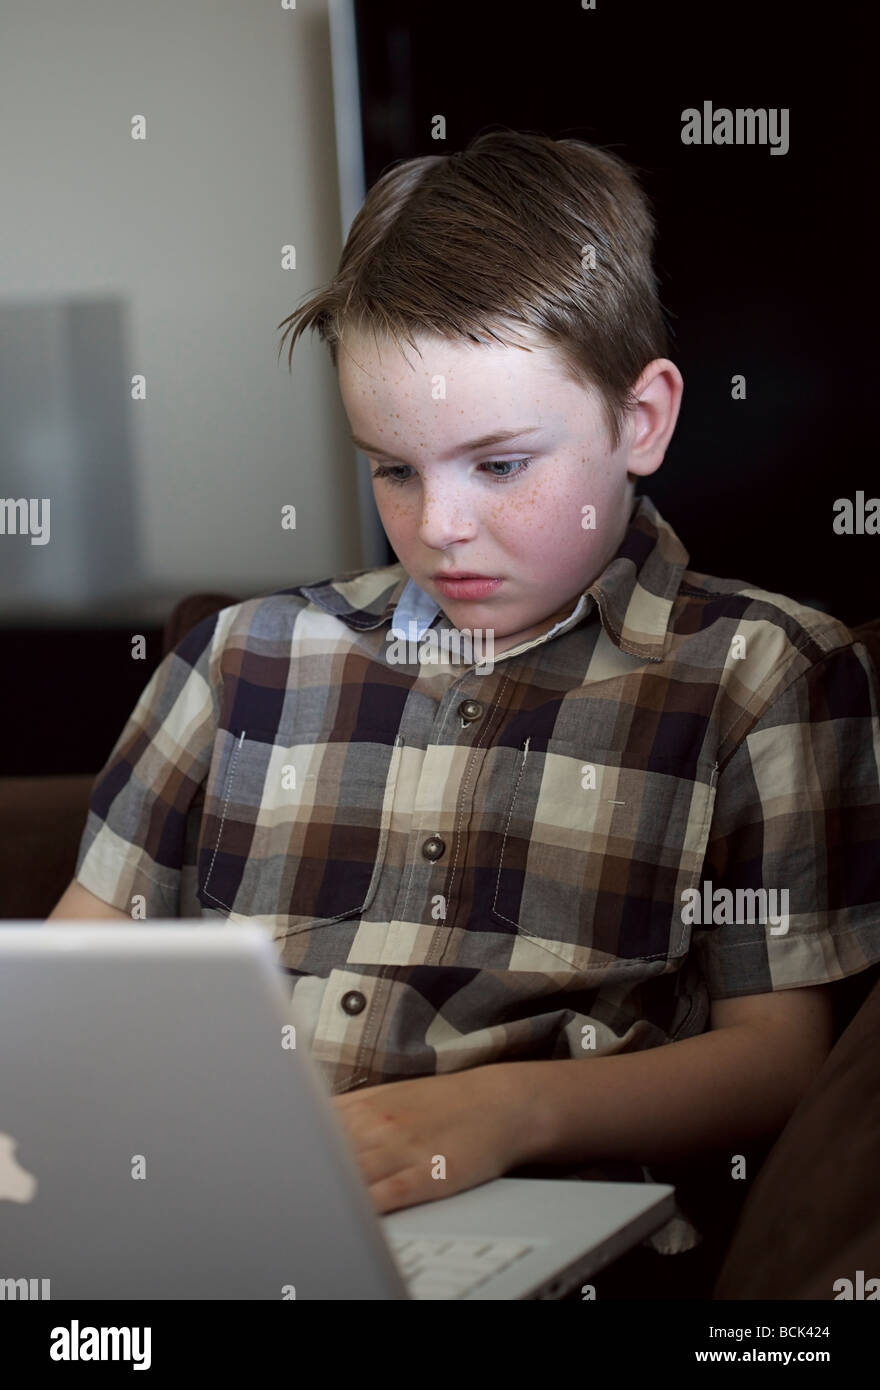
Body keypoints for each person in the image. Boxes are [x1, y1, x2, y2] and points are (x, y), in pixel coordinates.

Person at [50, 129, 880, 1299]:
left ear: (640, 419)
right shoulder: (241, 657)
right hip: (218, 1219)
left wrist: (501, 1111)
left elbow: (780, 1057)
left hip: (535, 1236)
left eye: (497, 465)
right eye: (393, 468)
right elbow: (76, 975)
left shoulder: (762, 674)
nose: (438, 524)